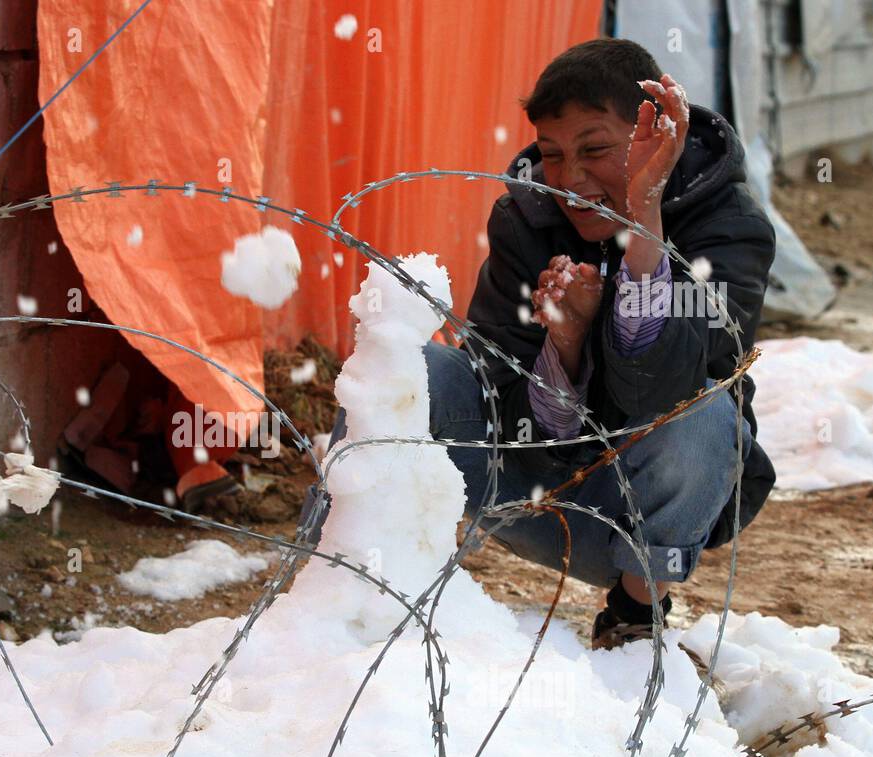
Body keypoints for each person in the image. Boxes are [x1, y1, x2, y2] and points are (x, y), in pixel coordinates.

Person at [307, 38, 777, 649]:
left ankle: (635, 615)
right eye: (552, 154)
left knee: (705, 413)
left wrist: (644, 220)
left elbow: (660, 394)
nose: (570, 179)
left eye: (595, 150)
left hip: (633, 520)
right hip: (520, 486)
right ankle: (337, 584)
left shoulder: (729, 230)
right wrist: (566, 346)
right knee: (413, 372)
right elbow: (495, 385)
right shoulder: (527, 219)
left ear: (655, 134)